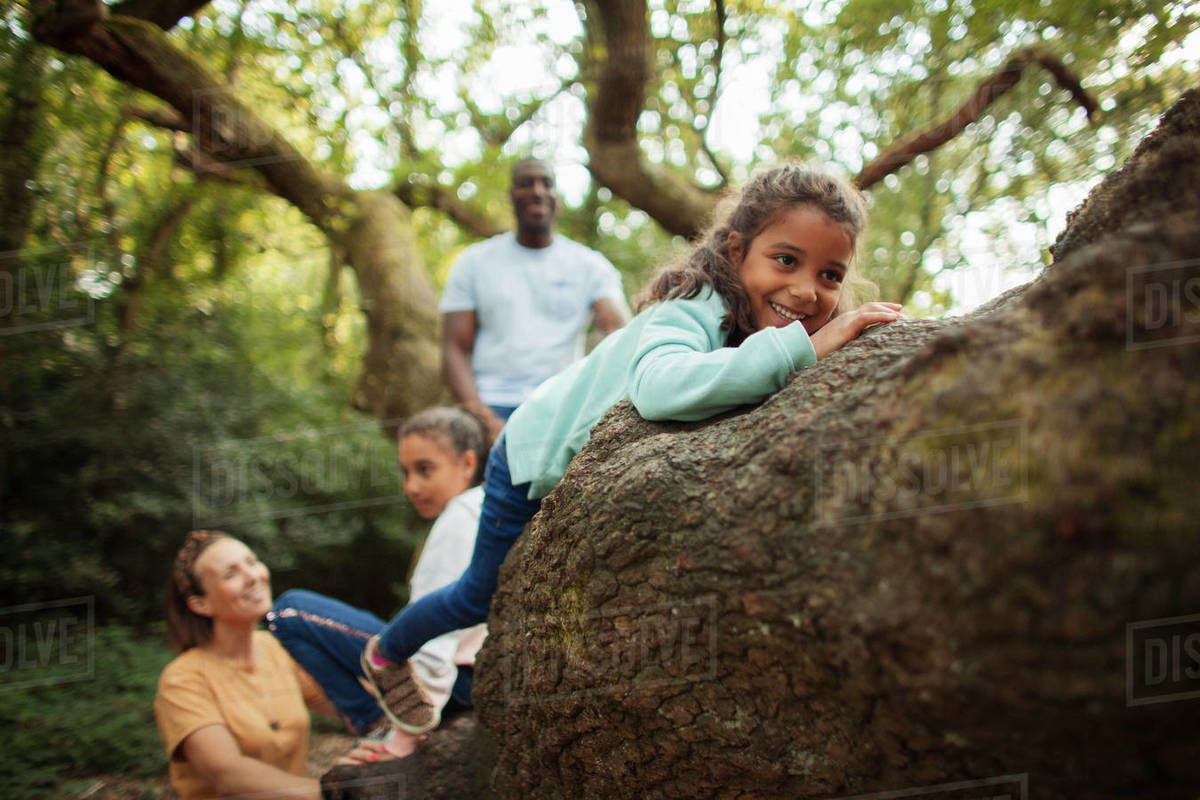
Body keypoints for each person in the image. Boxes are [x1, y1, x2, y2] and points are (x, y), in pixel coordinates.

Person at [361, 163, 904, 734]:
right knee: (479, 593)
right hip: (528, 454)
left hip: (585, 480)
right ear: (737, 249)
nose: (805, 289)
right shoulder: (695, 306)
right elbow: (658, 386)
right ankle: (386, 652)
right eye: (786, 260)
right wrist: (807, 347)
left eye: (831, 275)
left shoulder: (758, 331)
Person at [266, 407, 490, 758]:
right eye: (405, 472)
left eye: (425, 469)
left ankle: (374, 721)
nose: (411, 486)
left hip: (459, 680)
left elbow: (438, 629)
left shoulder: (462, 515)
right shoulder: (490, 509)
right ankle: (375, 719)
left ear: (466, 463)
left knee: (288, 613)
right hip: (473, 677)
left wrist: (409, 729)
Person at [440, 157, 632, 442]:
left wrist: (594, 403)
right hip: (490, 402)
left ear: (558, 197)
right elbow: (454, 348)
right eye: (526, 183)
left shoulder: (590, 265)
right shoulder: (474, 262)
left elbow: (621, 334)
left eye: (547, 183)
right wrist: (486, 422)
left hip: (563, 406)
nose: (538, 191)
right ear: (511, 196)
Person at [154, 530, 336, 800]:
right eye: (231, 574)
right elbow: (227, 774)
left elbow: (340, 702)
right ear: (200, 604)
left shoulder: (274, 647)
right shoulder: (182, 680)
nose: (253, 576)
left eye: (252, 562)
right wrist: (333, 793)